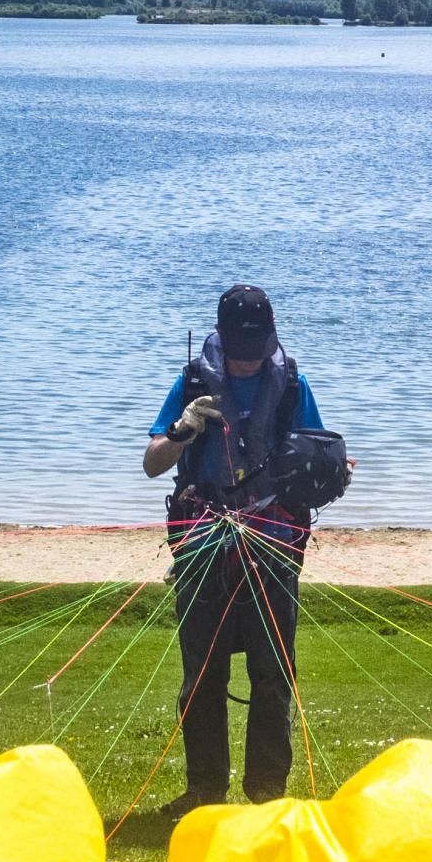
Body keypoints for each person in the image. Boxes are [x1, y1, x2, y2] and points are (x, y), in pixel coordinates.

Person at [143, 284, 348, 818]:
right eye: (238, 345)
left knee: (273, 671)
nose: (246, 356)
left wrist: (333, 475)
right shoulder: (192, 383)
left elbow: (319, 455)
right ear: (222, 335)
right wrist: (182, 431)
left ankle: (266, 793)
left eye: (254, 347)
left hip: (273, 549)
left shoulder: (289, 386)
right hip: (203, 546)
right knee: (202, 673)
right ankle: (204, 791)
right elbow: (151, 463)